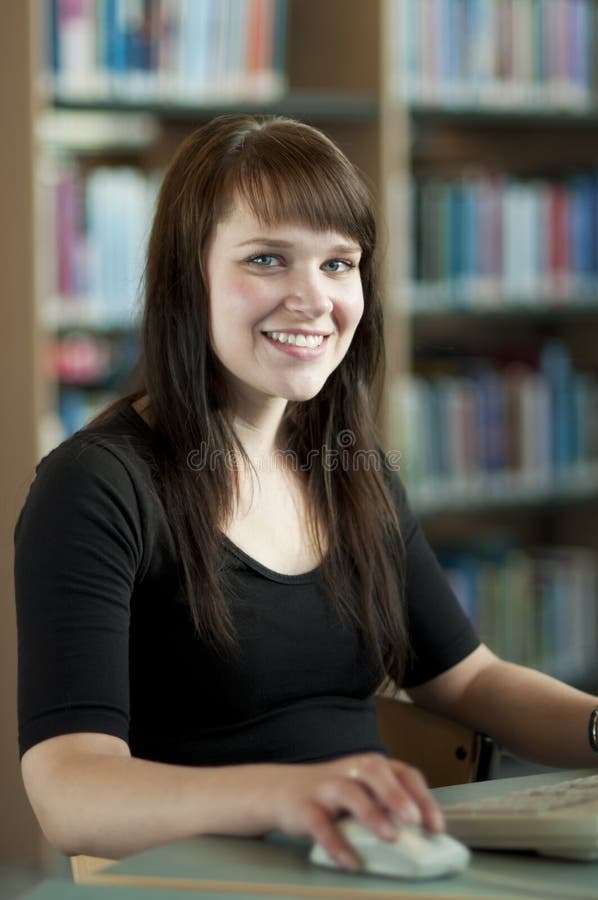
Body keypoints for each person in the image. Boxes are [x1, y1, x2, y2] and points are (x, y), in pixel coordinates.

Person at [15, 114, 598, 870]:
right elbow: (69, 789)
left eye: (338, 263)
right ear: (185, 280)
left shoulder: (350, 466)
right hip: (203, 880)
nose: (313, 299)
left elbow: (470, 678)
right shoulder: (95, 487)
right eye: (267, 259)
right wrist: (286, 795)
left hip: (365, 866)